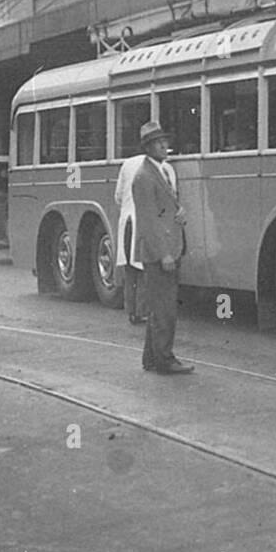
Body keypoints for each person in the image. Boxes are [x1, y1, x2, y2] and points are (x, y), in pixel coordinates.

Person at [132, 121, 193, 375]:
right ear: (148, 147)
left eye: (165, 141)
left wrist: (178, 213)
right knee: (165, 308)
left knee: (160, 306)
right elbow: (148, 220)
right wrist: (164, 253)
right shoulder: (144, 176)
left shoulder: (160, 171)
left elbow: (162, 209)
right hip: (160, 253)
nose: (165, 146)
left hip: (169, 246)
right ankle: (165, 360)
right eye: (159, 143)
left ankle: (151, 358)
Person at [114, 150, 148, 325]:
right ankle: (142, 311)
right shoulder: (157, 165)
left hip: (126, 221)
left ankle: (131, 311)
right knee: (143, 268)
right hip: (142, 222)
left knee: (130, 270)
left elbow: (118, 196)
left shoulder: (127, 163)